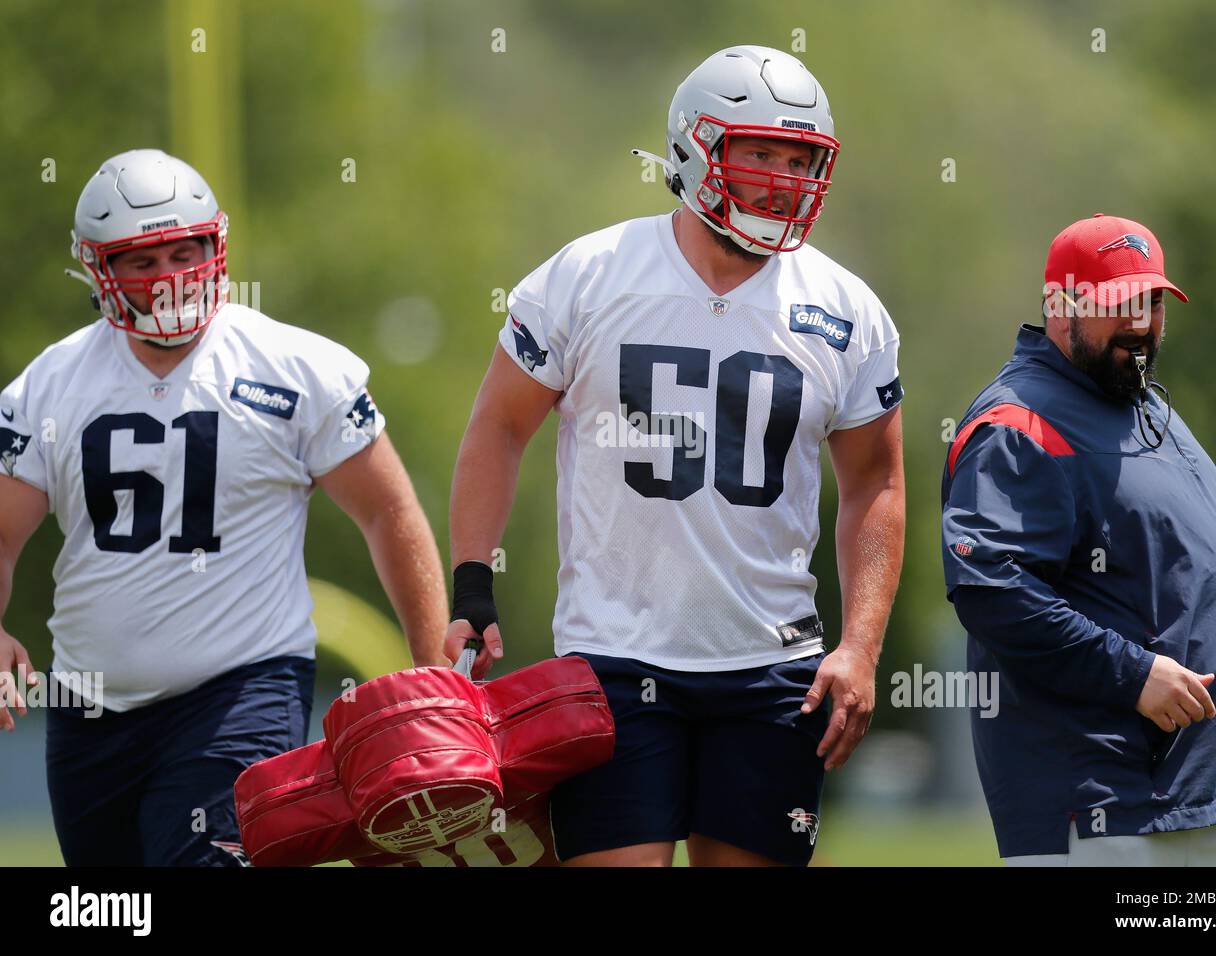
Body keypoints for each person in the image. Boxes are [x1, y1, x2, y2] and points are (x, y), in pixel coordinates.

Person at [445, 46, 906, 866]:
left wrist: (862, 646)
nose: (783, 177)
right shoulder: (589, 277)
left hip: (772, 667)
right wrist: (472, 581)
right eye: (761, 151)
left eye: (800, 158)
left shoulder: (846, 311)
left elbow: (875, 482)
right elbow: (499, 427)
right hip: (615, 659)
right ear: (696, 149)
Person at [0, 148, 450, 866]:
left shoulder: (295, 368)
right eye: (142, 261)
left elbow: (386, 510)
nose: (169, 276)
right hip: (89, 705)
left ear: (217, 244)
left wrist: (436, 671)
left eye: (184, 251)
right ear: (99, 268)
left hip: (240, 689)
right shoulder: (48, 387)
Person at [941, 213, 1216, 866]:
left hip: (1179, 800)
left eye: (1151, 302)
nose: (1140, 323)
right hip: (1100, 805)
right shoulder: (1019, 423)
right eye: (1116, 302)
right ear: (1059, 307)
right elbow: (993, 591)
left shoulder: (1138, 403)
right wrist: (1134, 675)